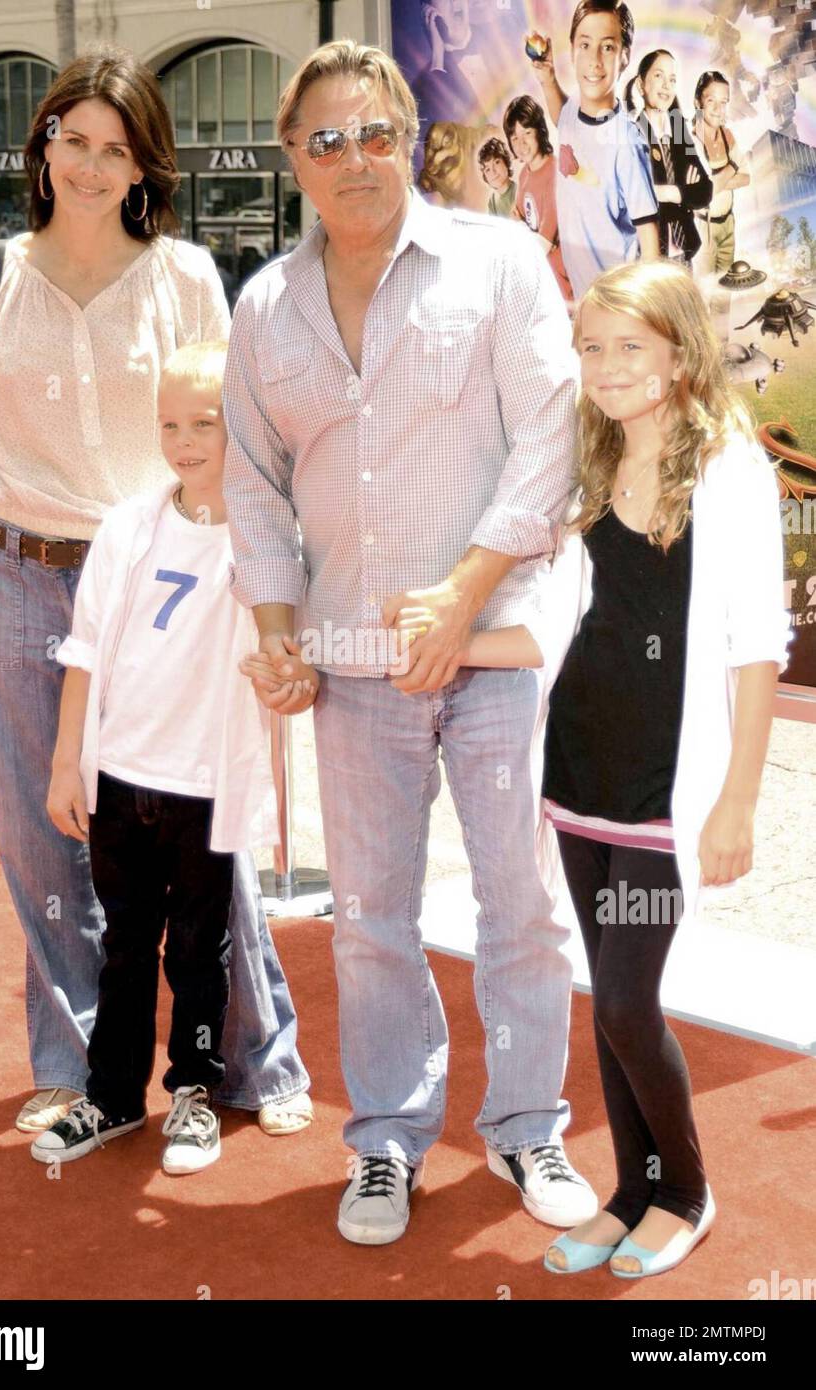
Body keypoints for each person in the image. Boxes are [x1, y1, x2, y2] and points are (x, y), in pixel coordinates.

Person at [224, 38, 599, 1247]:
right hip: (350, 669)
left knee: (519, 904)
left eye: (373, 132)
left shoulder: (496, 265)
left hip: (488, 652)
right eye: (323, 140)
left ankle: (526, 1121)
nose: (352, 159)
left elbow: (551, 437)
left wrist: (463, 591)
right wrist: (278, 633)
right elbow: (250, 484)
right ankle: (384, 1138)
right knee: (369, 914)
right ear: (292, 160)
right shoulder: (263, 308)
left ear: (408, 140)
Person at [0, 46, 311, 1139]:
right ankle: (75, 1061)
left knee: (200, 825)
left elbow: (228, 442)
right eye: (73, 138)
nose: (92, 166)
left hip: (160, 591)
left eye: (116, 148)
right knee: (39, 834)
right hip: (17, 575)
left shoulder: (187, 277)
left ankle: (248, 1056)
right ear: (43, 144)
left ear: (144, 165)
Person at [439, 260, 790, 1277]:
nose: (602, 366)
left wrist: (733, 802)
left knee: (631, 1000)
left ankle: (683, 1187)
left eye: (627, 345)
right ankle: (629, 1189)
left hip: (659, 794)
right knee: (605, 991)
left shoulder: (728, 471)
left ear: (679, 352)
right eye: (589, 346)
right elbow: (554, 620)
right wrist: (447, 637)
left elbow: (754, 646)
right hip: (579, 775)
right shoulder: (586, 468)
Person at [33, 342, 294, 1171]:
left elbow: (289, 648)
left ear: (242, 428)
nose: (184, 441)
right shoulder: (128, 527)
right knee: (124, 942)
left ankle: (193, 1092)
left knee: (199, 947)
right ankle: (111, 1097)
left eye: (204, 424)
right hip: (121, 778)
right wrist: (67, 761)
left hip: (205, 786)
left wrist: (284, 667)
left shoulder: (265, 537)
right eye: (170, 424)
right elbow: (82, 653)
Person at [527, 0, 660, 299]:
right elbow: (563, 118)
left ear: (625, 57)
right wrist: (548, 79)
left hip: (618, 297)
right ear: (572, 50)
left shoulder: (626, 142)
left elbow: (648, 233)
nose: (594, 60)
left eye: (608, 47)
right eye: (585, 45)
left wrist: (650, 305)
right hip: (582, 292)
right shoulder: (573, 110)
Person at [624, 50, 712, 267]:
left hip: (683, 251)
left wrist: (669, 192)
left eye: (672, 79)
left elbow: (704, 191)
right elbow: (631, 197)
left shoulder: (679, 132)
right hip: (648, 253)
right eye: (658, 76)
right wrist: (683, 192)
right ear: (641, 84)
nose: (666, 85)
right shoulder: (631, 134)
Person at [692, 70, 751, 338]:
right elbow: (700, 191)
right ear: (698, 102)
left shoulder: (727, 135)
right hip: (702, 230)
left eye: (724, 101)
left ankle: (723, 349)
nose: (718, 108)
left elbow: (746, 177)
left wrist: (716, 181)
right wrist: (733, 166)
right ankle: (703, 359)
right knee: (704, 296)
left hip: (727, 222)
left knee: (724, 293)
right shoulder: (687, 137)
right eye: (711, 101)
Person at [503, 94, 573, 303]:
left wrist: (526, 232)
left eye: (527, 132)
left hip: (567, 285)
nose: (521, 143)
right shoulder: (524, 174)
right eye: (514, 137)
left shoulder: (556, 173)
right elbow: (514, 223)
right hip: (543, 283)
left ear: (539, 132)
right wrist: (524, 231)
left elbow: (541, 246)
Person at [477, 136, 516, 219]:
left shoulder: (518, 191)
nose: (493, 172)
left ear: (506, 162)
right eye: (487, 169)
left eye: (497, 162)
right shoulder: (492, 201)